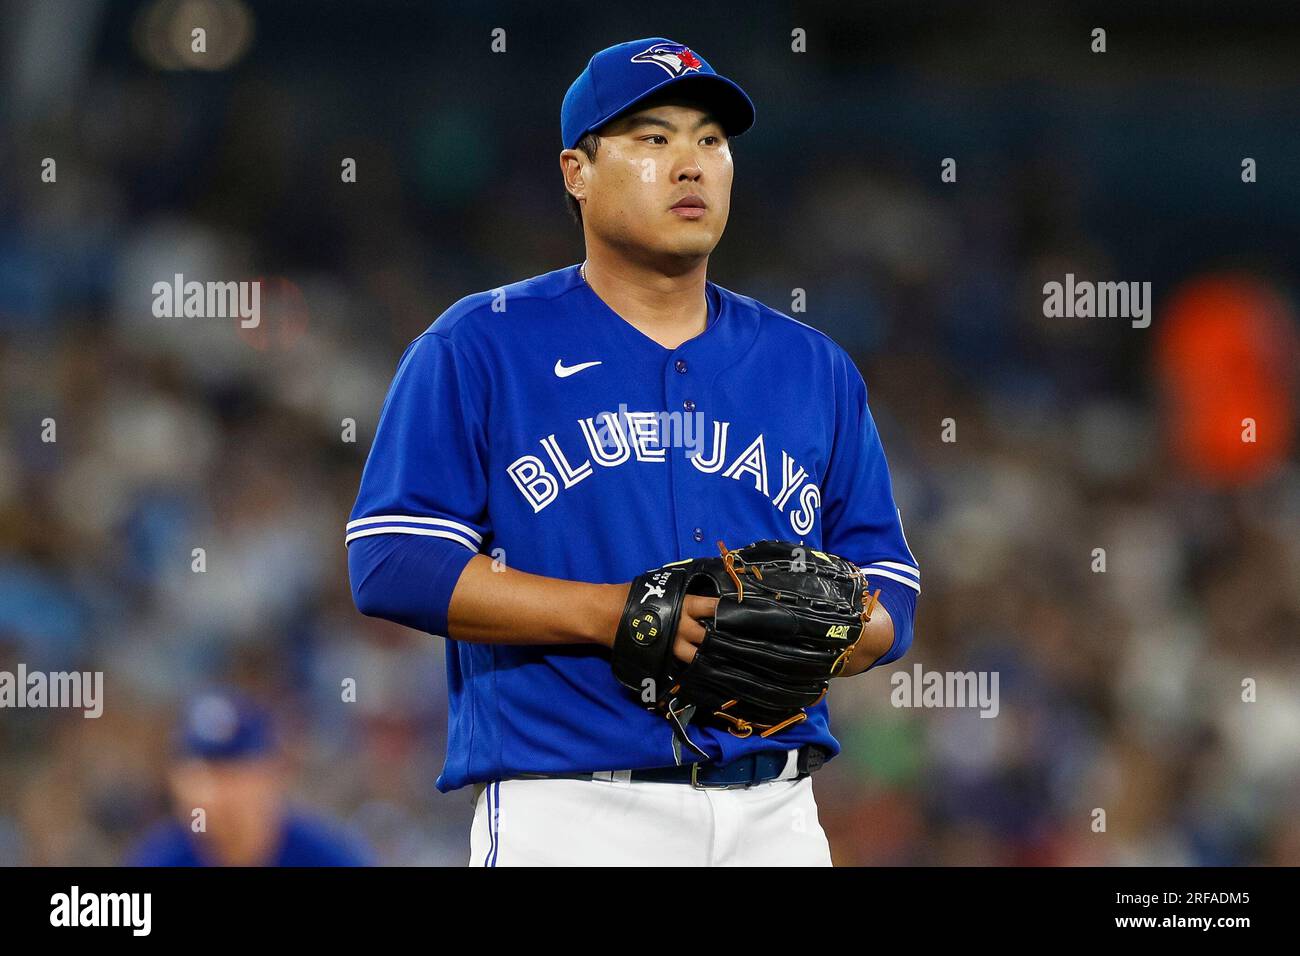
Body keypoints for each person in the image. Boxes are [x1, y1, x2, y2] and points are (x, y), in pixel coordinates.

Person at [347, 37, 919, 866]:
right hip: (576, 808)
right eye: (653, 139)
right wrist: (607, 613)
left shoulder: (812, 367)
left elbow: (889, 592)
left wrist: (827, 629)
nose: (690, 164)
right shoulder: (480, 346)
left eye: (710, 141)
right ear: (576, 171)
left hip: (778, 812)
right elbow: (391, 560)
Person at [127, 691, 371, 866]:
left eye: (232, 772)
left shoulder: (326, 856)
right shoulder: (160, 858)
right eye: (201, 773)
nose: (213, 792)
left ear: (272, 773)